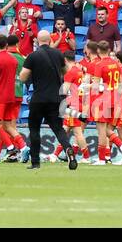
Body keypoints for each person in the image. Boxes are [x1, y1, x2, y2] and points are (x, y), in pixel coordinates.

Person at [20, 30, 77, 171]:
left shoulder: (33, 56)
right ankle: (68, 149)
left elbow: (23, 77)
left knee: (34, 129)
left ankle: (35, 162)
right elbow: (65, 71)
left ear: (37, 41)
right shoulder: (58, 54)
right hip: (56, 98)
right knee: (58, 129)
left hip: (39, 98)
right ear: (50, 40)